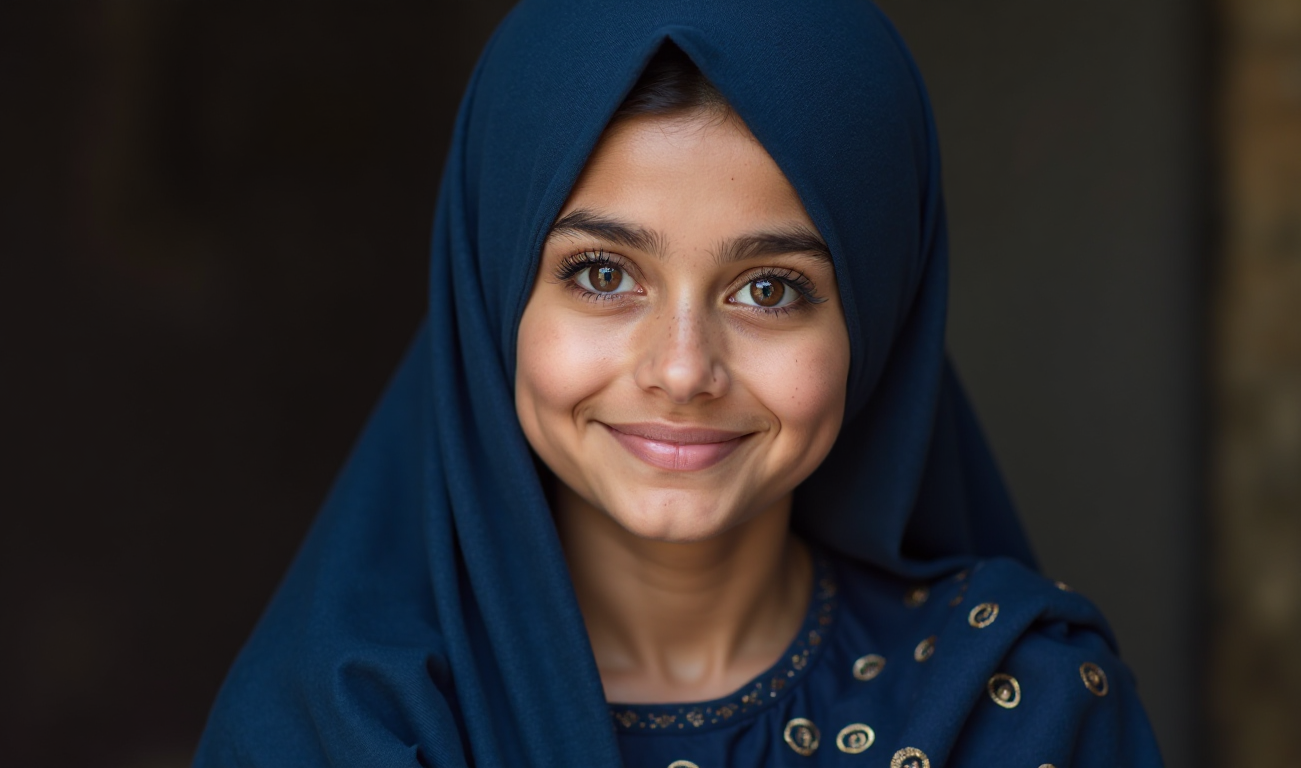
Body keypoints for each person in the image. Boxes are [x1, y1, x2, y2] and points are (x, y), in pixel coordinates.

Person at [193, 1, 1164, 766]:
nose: (681, 369)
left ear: (878, 319)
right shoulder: (341, 730)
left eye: (770, 288)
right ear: (494, 295)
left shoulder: (1015, 712)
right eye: (603, 275)